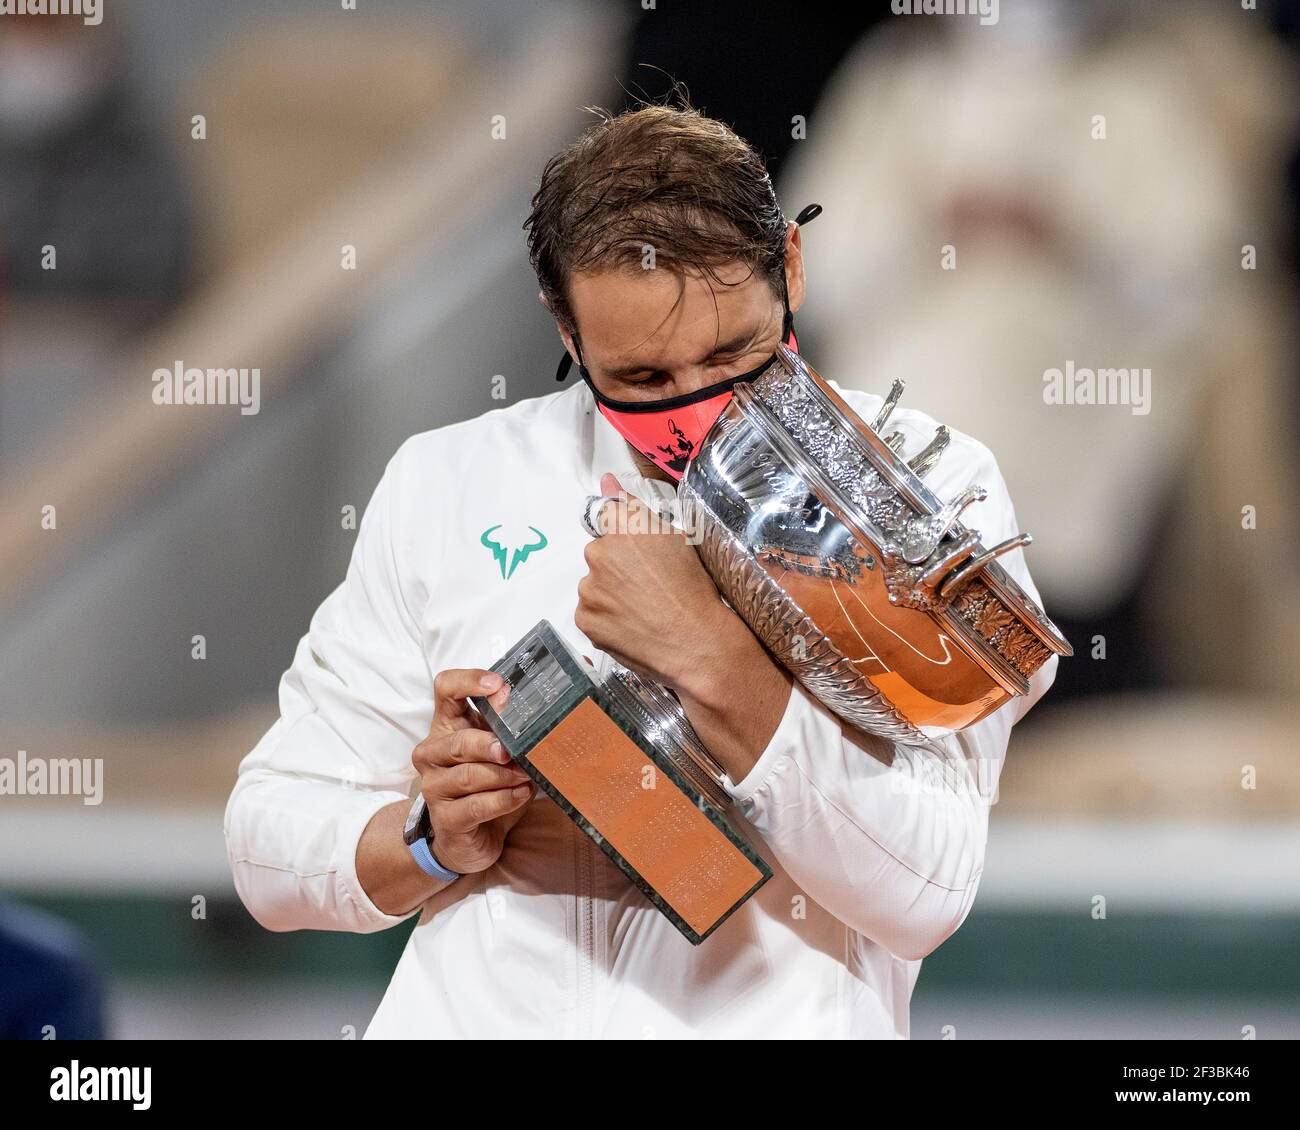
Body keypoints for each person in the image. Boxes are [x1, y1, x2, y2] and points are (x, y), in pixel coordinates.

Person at [224, 99, 1057, 1039]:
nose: (694, 409)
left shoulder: (936, 486)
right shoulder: (447, 480)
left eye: (733, 353)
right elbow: (266, 845)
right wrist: (431, 838)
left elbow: (926, 892)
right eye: (643, 380)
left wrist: (714, 658)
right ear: (565, 328)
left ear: (790, 264)